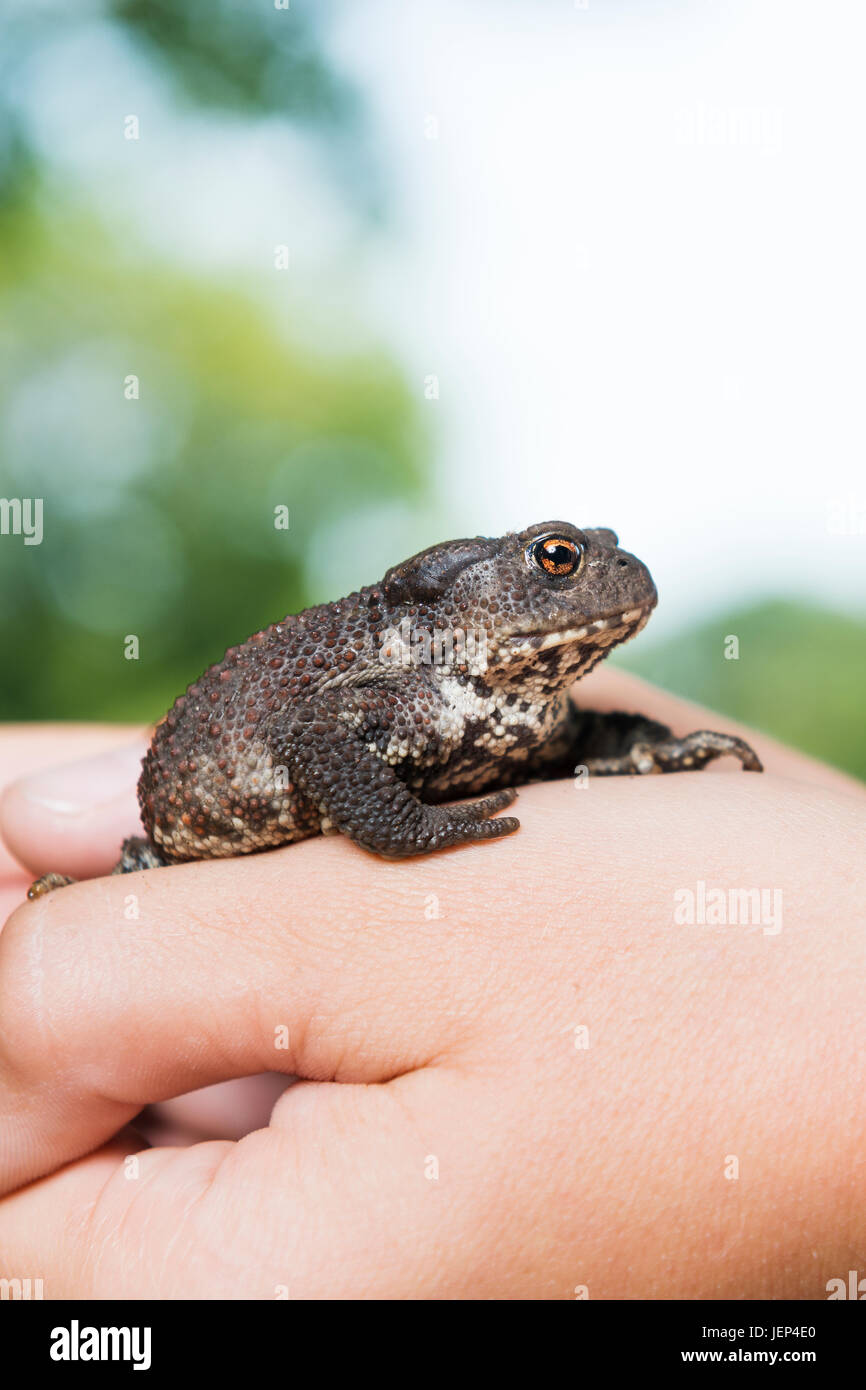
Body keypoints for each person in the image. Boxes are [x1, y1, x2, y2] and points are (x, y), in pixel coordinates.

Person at [0, 668, 863, 1300]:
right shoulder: (418, 674)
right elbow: (310, 737)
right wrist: (403, 825)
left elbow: (578, 738)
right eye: (558, 560)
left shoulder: (515, 700)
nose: (600, 572)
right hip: (203, 824)